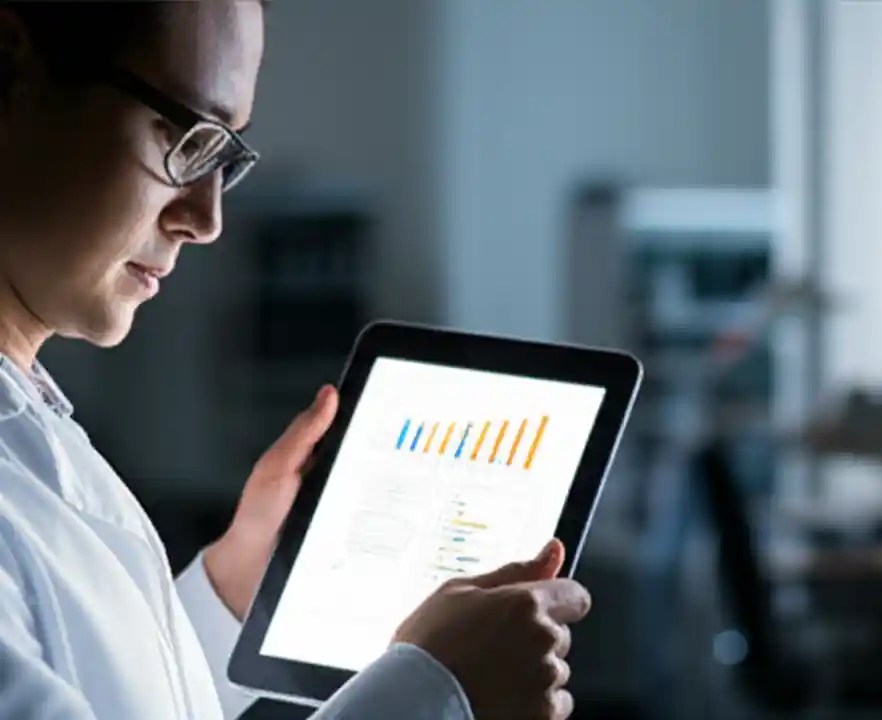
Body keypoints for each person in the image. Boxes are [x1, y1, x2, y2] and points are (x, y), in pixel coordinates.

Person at [0, 1, 591, 718]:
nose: (206, 219)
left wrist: (232, 589)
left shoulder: (32, 423)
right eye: (186, 137)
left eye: (224, 157)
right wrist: (435, 692)